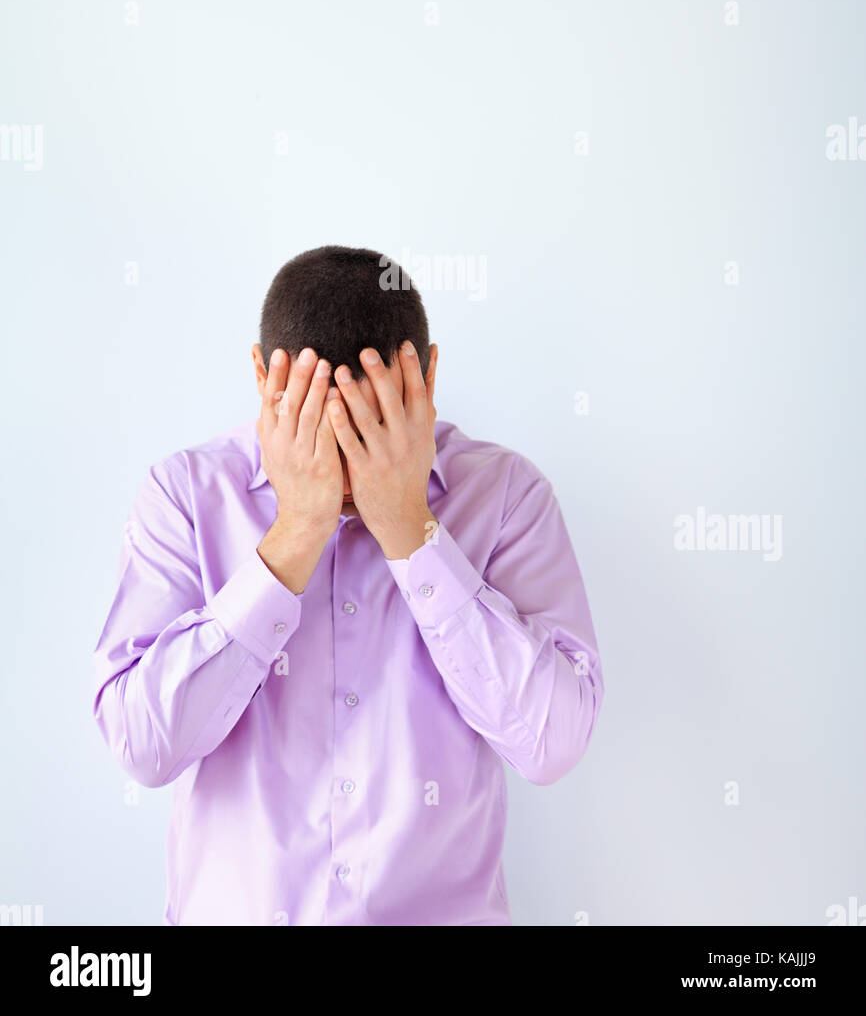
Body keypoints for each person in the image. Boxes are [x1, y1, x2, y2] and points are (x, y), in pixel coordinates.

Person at [92, 244, 604, 925]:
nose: (346, 466)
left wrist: (411, 531)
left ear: (427, 380)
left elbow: (553, 742)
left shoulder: (506, 496)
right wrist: (295, 533)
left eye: (372, 424)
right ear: (260, 378)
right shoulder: (185, 495)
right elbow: (144, 746)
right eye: (315, 422)